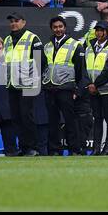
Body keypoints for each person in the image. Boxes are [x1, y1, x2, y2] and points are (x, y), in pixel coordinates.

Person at [1, 12, 42, 156]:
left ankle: (33, 147)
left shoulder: (32, 38)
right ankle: (24, 147)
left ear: (23, 22)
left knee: (27, 116)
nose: (13, 23)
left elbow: (41, 61)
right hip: (12, 84)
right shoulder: (7, 40)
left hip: (28, 85)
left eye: (16, 21)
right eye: (11, 21)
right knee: (16, 117)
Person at [41, 15, 83, 156]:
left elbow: (80, 69)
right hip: (49, 88)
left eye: (60, 26)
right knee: (52, 121)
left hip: (66, 88)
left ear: (65, 27)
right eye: (55, 27)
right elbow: (43, 67)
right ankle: (54, 150)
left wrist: (77, 89)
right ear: (51, 29)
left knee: (70, 120)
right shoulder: (47, 46)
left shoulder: (75, 44)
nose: (58, 29)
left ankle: (74, 150)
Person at [81, 20, 108, 155]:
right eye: (97, 30)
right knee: (97, 118)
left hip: (107, 89)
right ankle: (96, 148)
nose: (98, 33)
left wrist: (95, 84)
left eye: (101, 30)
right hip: (93, 89)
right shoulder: (89, 47)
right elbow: (84, 68)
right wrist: (89, 84)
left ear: (107, 32)